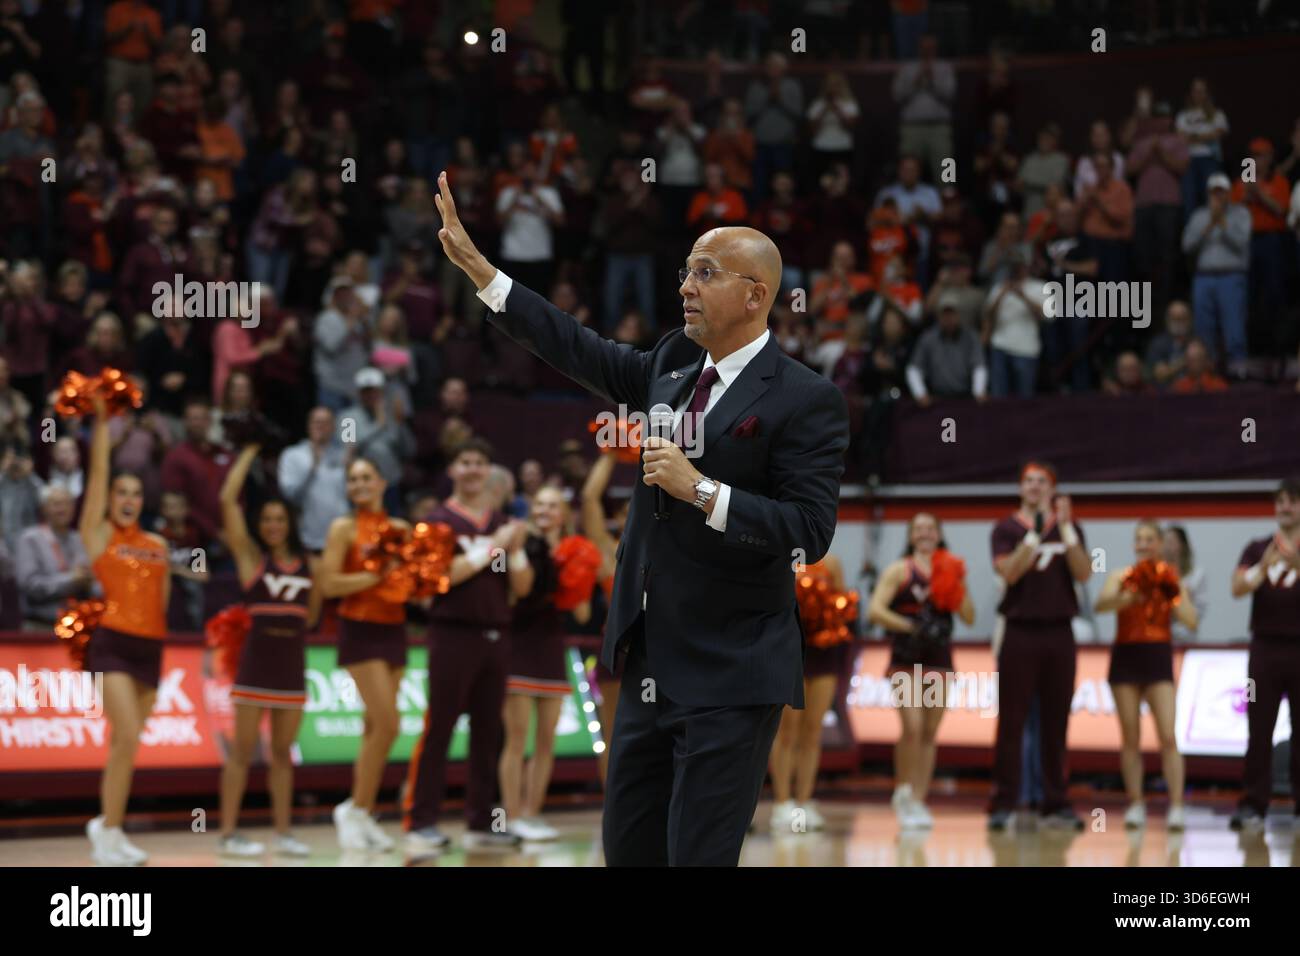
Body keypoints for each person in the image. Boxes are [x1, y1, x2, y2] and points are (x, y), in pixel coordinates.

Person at [433, 171, 849, 866]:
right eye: (686, 271)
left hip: (734, 668)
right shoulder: (672, 365)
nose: (685, 285)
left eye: (706, 273)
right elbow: (578, 348)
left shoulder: (807, 399)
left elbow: (808, 530)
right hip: (651, 662)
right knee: (628, 851)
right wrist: (486, 276)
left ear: (756, 295)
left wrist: (702, 491)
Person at [402, 438, 529, 853]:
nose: (473, 469)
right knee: (440, 727)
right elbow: (441, 578)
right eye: (465, 462)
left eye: (480, 462)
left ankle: (481, 823)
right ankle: (420, 822)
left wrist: (518, 550)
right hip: (451, 632)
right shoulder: (438, 521)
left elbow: (521, 587)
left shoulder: (502, 519)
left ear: (488, 471)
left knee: (489, 732)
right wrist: (495, 545)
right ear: (452, 470)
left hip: (497, 632)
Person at [216, 443, 320, 858]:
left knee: (281, 755)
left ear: (290, 522)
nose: (273, 525)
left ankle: (284, 833)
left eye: (280, 519)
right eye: (267, 519)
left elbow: (310, 618)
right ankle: (227, 833)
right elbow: (227, 500)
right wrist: (249, 452)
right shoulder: (252, 559)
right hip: (255, 666)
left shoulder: (310, 565)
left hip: (291, 668)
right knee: (242, 754)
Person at [80, 397, 172, 865]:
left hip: (151, 648)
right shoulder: (100, 537)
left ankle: (109, 828)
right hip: (112, 643)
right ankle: (108, 828)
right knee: (128, 733)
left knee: (127, 745)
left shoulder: (158, 544)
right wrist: (101, 424)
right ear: (110, 499)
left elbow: (165, 601)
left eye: (135, 493)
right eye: (120, 493)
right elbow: (96, 476)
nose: (128, 500)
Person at [988, 461, 1090, 831]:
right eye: (1029, 481)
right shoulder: (1005, 528)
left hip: (1060, 632)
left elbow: (1083, 573)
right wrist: (1033, 536)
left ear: (1053, 489)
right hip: (1019, 631)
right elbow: (1010, 572)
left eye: (1042, 482)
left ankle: (1055, 802)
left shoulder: (1069, 527)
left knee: (1056, 721)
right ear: (1020, 488)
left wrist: (1064, 529)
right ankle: (1004, 802)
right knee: (1012, 722)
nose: (1034, 487)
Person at [318, 457, 411, 852]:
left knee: (375, 727)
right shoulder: (343, 528)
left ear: (382, 483)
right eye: (352, 479)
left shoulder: (402, 529)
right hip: (359, 629)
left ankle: (363, 811)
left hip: (395, 627)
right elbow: (329, 584)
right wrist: (375, 577)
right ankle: (353, 809)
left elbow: (410, 580)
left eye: (366, 478)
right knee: (389, 725)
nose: (359, 484)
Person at [500, 486, 594, 842]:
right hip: (520, 645)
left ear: (564, 513)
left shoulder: (576, 548)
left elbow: (582, 614)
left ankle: (532, 814)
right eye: (539, 504)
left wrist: (581, 580)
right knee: (516, 738)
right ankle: (510, 816)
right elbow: (518, 592)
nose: (545, 510)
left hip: (553, 647)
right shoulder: (523, 543)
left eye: (553, 505)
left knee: (545, 741)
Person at [869, 513, 975, 828]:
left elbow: (968, 615)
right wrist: (910, 625)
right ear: (911, 535)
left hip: (940, 658)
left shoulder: (951, 567)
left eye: (931, 528)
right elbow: (875, 610)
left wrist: (957, 584)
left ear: (940, 534)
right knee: (912, 726)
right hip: (906, 656)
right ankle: (902, 790)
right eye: (919, 529)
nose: (925, 533)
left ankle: (918, 799)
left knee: (929, 731)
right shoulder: (899, 570)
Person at [1095, 520, 1198, 830]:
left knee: (1168, 736)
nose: (1143, 544)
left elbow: (1191, 621)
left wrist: (1172, 595)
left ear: (1159, 544)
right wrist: (1129, 596)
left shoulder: (1171, 577)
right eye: (1139, 539)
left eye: (1149, 539)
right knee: (1130, 737)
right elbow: (1101, 605)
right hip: (1126, 657)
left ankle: (1177, 806)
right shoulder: (1120, 576)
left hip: (1157, 657)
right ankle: (1136, 803)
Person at [1229, 478, 1300, 831]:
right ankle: (1253, 805)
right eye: (1280, 501)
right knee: (1259, 729)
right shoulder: (1257, 547)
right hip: (1265, 650)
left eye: (1292, 501)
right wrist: (1263, 566)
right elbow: (1237, 588)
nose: (1285, 507)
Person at [768, 553, 857, 832]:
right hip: (787, 650)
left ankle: (803, 802)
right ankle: (782, 803)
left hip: (823, 652)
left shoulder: (831, 562)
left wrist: (827, 612)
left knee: (812, 730)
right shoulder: (778, 556)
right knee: (786, 731)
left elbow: (844, 608)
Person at [579, 447, 629, 785]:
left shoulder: (670, 550)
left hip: (663, 648)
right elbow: (588, 498)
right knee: (613, 730)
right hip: (620, 648)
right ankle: (613, 809)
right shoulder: (609, 554)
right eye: (628, 513)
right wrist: (611, 454)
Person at [15, 485, 95, 624]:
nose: (62, 509)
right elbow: (30, 586)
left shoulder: (76, 538)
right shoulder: (30, 538)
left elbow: (87, 578)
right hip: (40, 626)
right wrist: (71, 580)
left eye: (67, 503)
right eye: (56, 504)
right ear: (44, 508)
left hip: (75, 625)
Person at [1161, 525, 1206, 641]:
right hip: (1159, 637)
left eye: (1170, 542)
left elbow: (1196, 614)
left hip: (1186, 638)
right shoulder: (1157, 573)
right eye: (1163, 541)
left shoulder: (1196, 575)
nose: (1165, 546)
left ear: (1182, 545)